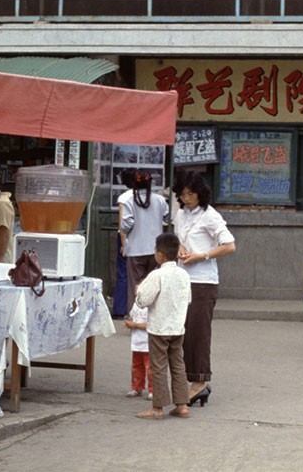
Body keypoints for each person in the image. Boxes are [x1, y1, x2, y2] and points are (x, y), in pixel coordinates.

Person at [171, 170, 236, 406]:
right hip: (182, 278)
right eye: (182, 194)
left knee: (198, 333)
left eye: (191, 194)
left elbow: (229, 245)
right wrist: (179, 248)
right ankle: (188, 379)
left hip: (203, 281)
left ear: (200, 193)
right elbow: (179, 237)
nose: (187, 198)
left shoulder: (210, 216)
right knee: (181, 332)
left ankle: (200, 381)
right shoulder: (181, 214)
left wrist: (202, 255)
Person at [133, 233, 192, 420]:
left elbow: (144, 300)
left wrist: (138, 292)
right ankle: (182, 405)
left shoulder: (157, 275)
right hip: (178, 327)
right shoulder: (184, 275)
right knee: (178, 364)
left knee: (158, 367)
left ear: (159, 254)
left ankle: (158, 407)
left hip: (159, 328)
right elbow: (188, 299)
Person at [119, 168, 169, 314]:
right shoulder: (160, 200)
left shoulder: (129, 201)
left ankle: (135, 316)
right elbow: (167, 217)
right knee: (154, 284)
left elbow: (125, 225)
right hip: (156, 249)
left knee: (135, 284)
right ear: (150, 183)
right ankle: (153, 315)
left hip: (136, 249)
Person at [123, 301, 153, 400]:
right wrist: (129, 322)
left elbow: (152, 325)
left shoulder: (152, 305)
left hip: (148, 343)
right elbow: (132, 316)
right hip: (136, 342)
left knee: (150, 369)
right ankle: (136, 387)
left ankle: (153, 390)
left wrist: (135, 325)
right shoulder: (136, 304)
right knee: (136, 367)